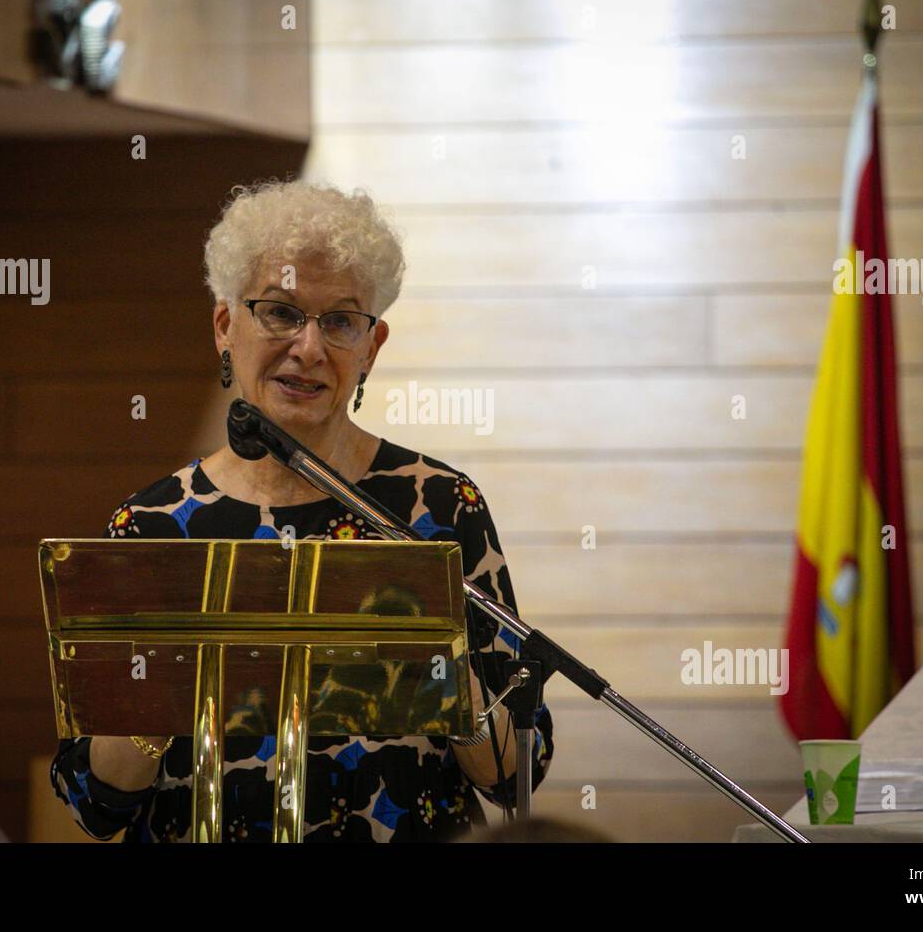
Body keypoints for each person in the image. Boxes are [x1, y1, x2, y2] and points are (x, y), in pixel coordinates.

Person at [50, 179, 554, 842]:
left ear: (371, 347)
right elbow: (96, 804)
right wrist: (159, 712)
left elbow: (517, 773)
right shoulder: (154, 526)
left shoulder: (437, 507)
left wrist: (446, 681)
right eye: (281, 312)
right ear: (225, 327)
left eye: (341, 320)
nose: (310, 348)